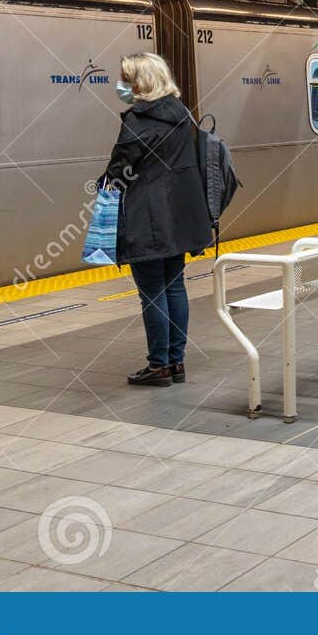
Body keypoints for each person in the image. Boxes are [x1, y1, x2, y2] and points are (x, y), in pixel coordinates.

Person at [102, 53, 212, 388]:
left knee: (151, 292)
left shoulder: (138, 121)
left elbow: (120, 171)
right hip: (177, 216)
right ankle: (176, 362)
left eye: (125, 78)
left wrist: (104, 183)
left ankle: (159, 366)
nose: (120, 84)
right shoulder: (181, 115)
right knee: (174, 286)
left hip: (147, 219)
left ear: (141, 82)